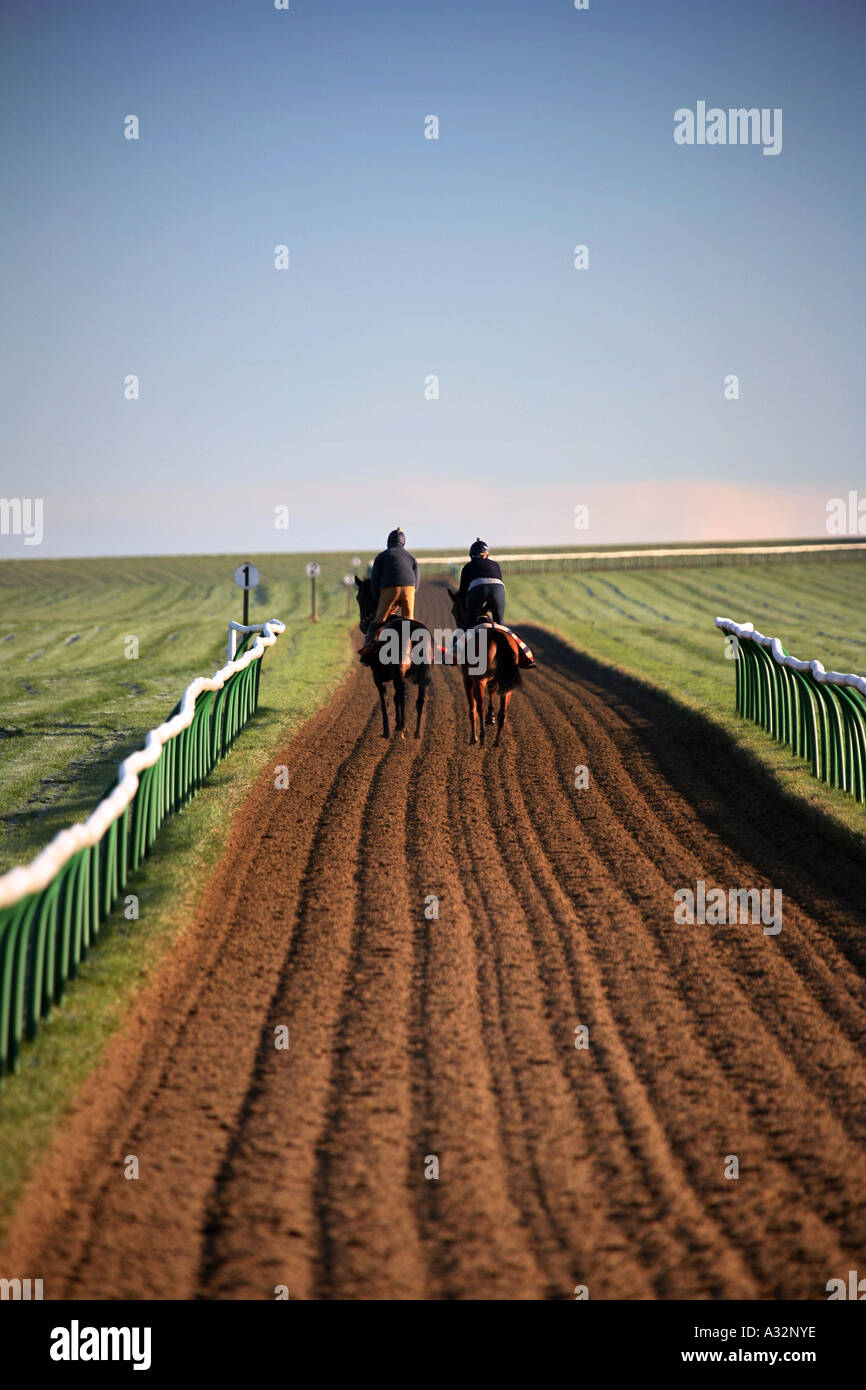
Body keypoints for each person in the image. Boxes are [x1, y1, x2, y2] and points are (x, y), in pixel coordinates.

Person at [360, 526, 420, 656]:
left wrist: (378, 600)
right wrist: (410, 595)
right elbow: (417, 581)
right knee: (409, 621)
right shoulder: (411, 557)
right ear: (403, 543)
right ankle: (415, 650)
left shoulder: (382, 556)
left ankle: (366, 649)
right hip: (410, 588)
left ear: (389, 542)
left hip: (389, 589)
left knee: (378, 621)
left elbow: (375, 582)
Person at [458, 538, 505, 627]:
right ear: (487, 554)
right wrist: (486, 608)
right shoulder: (495, 565)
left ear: (471, 555)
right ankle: (515, 640)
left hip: (478, 589)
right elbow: (493, 590)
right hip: (498, 589)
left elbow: (462, 593)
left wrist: (466, 610)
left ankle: (455, 641)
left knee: (468, 625)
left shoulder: (467, 567)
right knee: (500, 624)